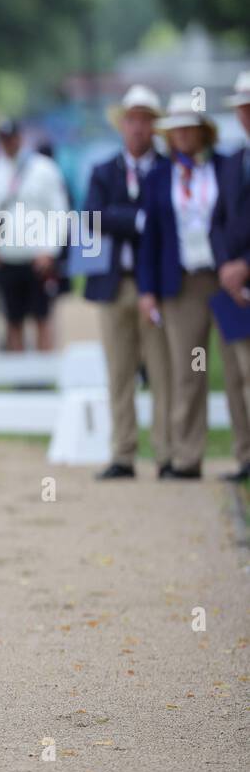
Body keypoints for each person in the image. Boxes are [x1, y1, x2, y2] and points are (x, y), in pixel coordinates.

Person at [83, 85, 173, 480]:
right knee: (118, 371)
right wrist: (137, 220)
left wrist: (122, 218)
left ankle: (168, 452)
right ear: (123, 125)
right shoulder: (104, 171)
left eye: (145, 120)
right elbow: (93, 217)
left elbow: (166, 223)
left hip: (154, 286)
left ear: (154, 126)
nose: (138, 128)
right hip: (115, 282)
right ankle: (123, 452)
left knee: (161, 370)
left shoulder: (168, 170)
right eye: (132, 120)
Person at [137, 92, 226, 479]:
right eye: (176, 130)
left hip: (222, 279)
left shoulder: (225, 169)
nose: (183, 136)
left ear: (203, 132)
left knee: (241, 369)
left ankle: (244, 452)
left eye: (189, 128)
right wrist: (147, 288)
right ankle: (186, 455)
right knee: (190, 368)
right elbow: (150, 238)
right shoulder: (159, 178)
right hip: (182, 284)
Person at [0, 119, 68, 351]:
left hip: (37, 255)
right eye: (4, 139)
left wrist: (50, 251)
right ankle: (21, 380)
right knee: (13, 320)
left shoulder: (44, 169)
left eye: (11, 138)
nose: (9, 143)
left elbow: (59, 212)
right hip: (9, 257)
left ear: (20, 138)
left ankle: (43, 378)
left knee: (42, 318)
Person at [212, 70, 250, 482]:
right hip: (233, 282)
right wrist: (227, 266)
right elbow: (217, 221)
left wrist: (245, 265)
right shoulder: (233, 162)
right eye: (243, 109)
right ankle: (245, 455)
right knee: (237, 375)